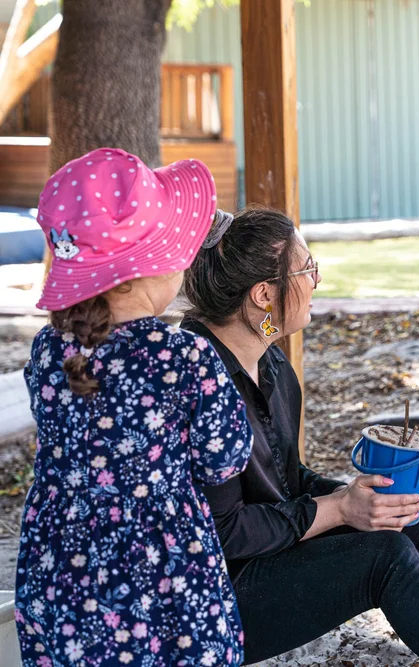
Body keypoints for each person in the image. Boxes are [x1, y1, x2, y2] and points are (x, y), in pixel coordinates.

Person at [181, 206, 419, 667]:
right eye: (306, 267)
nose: (317, 279)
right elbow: (224, 532)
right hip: (208, 600)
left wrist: (363, 500)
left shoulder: (272, 366)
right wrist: (337, 508)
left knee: (399, 523)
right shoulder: (197, 378)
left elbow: (284, 480)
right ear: (262, 294)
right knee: (383, 555)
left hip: (265, 558)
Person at [15, 148, 254, 666]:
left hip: (62, 567)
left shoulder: (48, 349)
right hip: (159, 572)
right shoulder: (182, 354)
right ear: (151, 266)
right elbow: (225, 458)